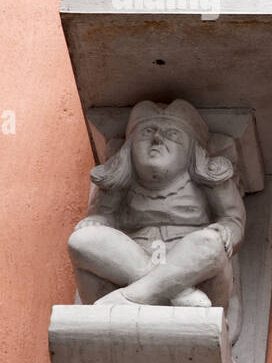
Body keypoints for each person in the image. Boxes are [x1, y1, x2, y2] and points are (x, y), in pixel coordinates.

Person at [67, 100, 245, 308]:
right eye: (147, 132)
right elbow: (101, 215)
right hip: (129, 267)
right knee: (82, 239)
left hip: (196, 267)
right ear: (129, 146)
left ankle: (131, 297)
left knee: (209, 243)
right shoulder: (119, 181)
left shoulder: (211, 179)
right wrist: (95, 221)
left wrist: (226, 231)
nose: (157, 139)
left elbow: (233, 220)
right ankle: (177, 291)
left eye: (173, 134)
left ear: (192, 150)